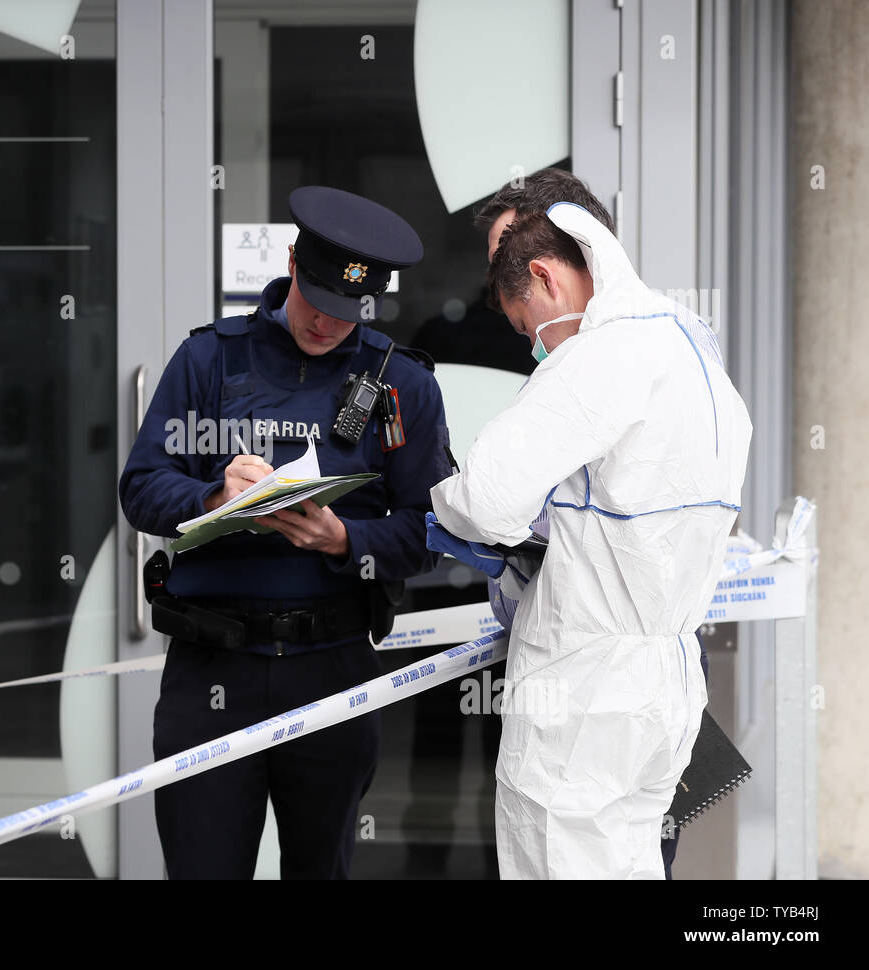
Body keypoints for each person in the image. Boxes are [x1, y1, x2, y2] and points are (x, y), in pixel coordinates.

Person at [119, 185, 452, 879]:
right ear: (293, 264)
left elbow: (428, 532)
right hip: (212, 669)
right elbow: (141, 490)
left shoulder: (402, 384)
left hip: (332, 664)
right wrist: (213, 493)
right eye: (318, 303)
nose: (327, 327)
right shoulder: (209, 360)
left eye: (346, 313)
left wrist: (345, 543)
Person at [425, 198, 752, 879]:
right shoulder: (691, 345)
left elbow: (486, 497)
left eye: (525, 325)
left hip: (585, 693)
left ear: (545, 277)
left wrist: (444, 508)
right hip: (667, 683)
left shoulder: (603, 353)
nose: (534, 345)